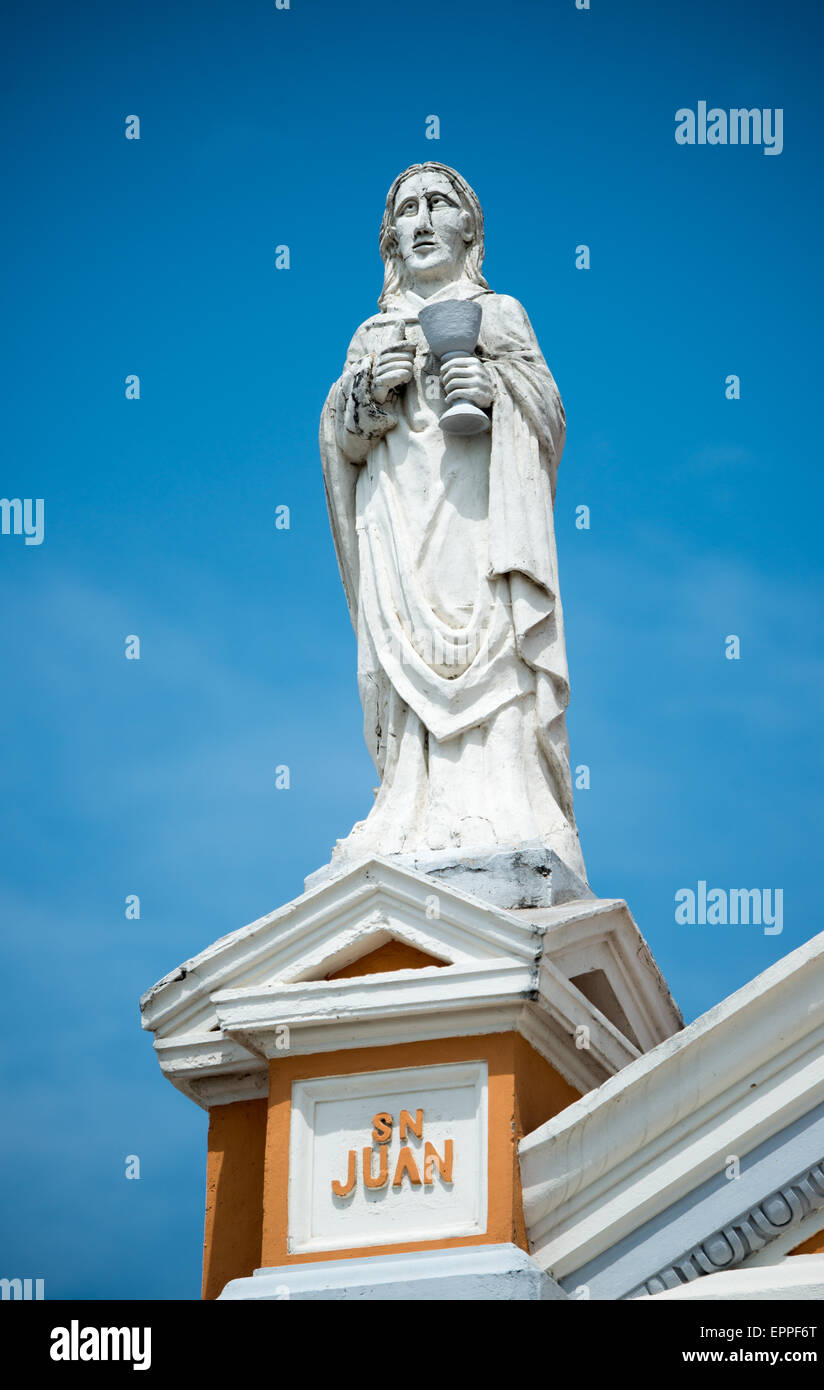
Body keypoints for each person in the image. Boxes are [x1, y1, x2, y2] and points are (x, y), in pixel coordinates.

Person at [319, 162, 588, 889]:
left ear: (469, 228)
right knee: (403, 659)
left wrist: (492, 387)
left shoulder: (500, 314)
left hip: (481, 525)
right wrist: (368, 396)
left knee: (496, 643)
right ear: (391, 240)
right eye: (406, 210)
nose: (422, 219)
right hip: (397, 526)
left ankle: (508, 802)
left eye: (438, 203)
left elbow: (548, 418)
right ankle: (410, 805)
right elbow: (342, 443)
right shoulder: (372, 332)